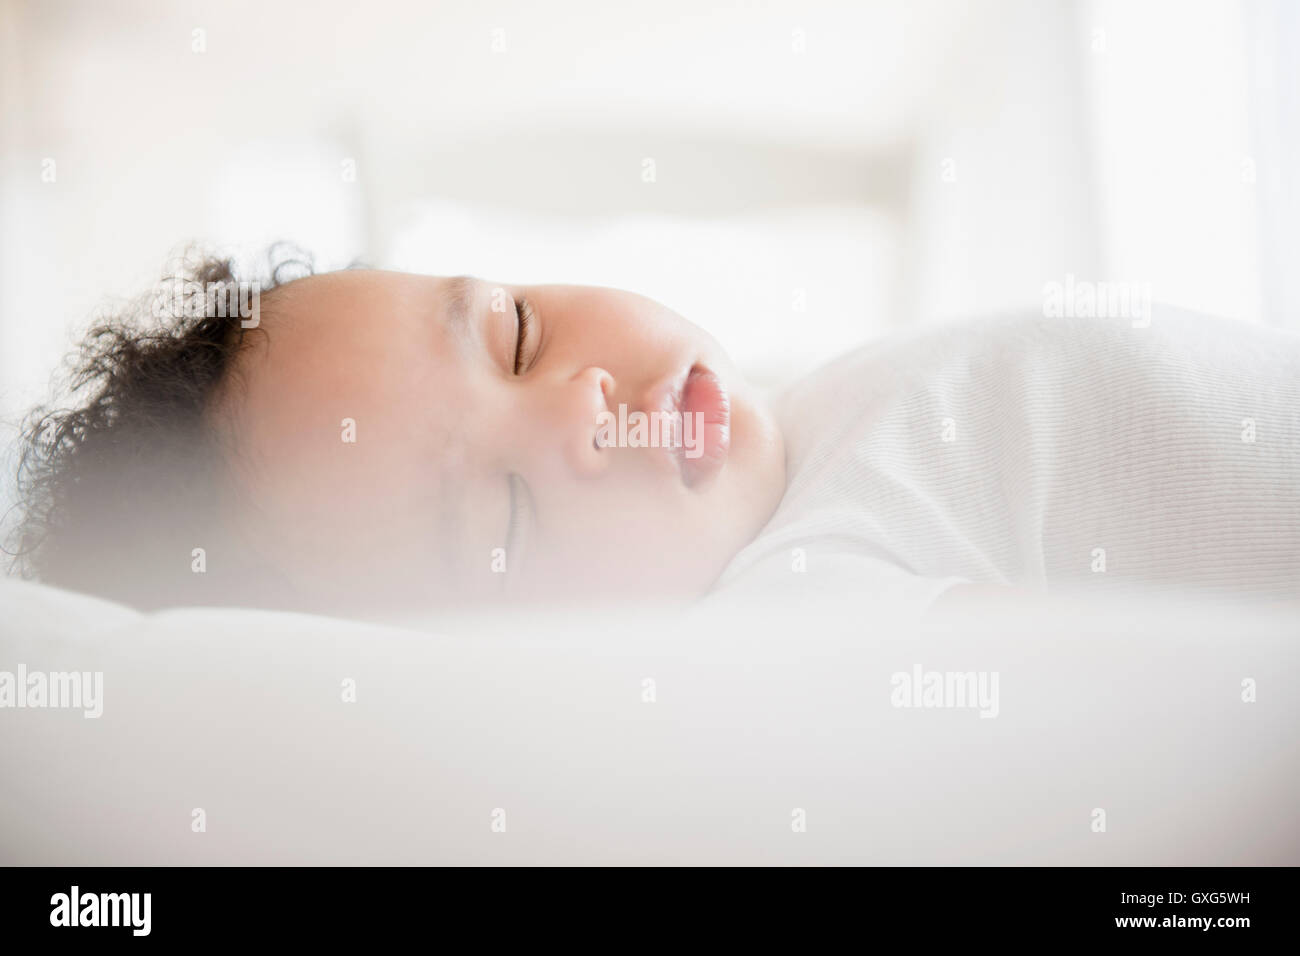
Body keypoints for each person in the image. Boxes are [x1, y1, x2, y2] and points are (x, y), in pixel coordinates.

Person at [10, 251, 1299, 615]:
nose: (580, 404)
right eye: (502, 518)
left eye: (514, 333)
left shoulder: (796, 416)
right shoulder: (817, 603)